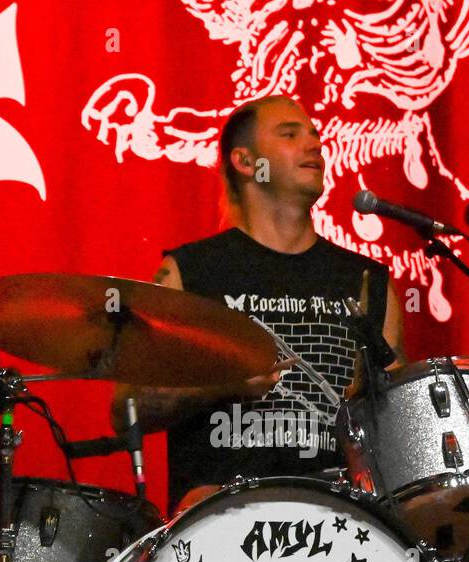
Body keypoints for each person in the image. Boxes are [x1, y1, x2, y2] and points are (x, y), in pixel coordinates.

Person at [111, 95, 406, 512]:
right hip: (216, 528)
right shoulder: (189, 272)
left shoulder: (367, 282)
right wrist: (224, 386)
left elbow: (398, 427)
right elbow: (127, 410)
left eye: (315, 135)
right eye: (289, 134)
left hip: (336, 530)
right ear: (246, 162)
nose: (314, 144)